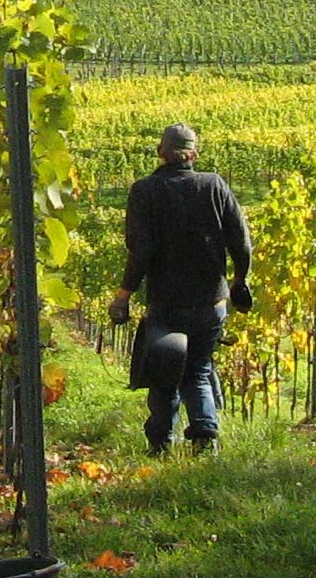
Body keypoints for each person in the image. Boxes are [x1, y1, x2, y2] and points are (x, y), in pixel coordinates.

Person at [108, 123, 252, 455]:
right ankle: (205, 438)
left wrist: (124, 296)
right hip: (210, 302)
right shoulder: (214, 185)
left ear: (160, 152)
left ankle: (161, 442)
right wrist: (240, 280)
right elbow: (241, 242)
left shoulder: (144, 191)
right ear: (194, 154)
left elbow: (141, 251)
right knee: (198, 369)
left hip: (166, 303)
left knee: (164, 373)